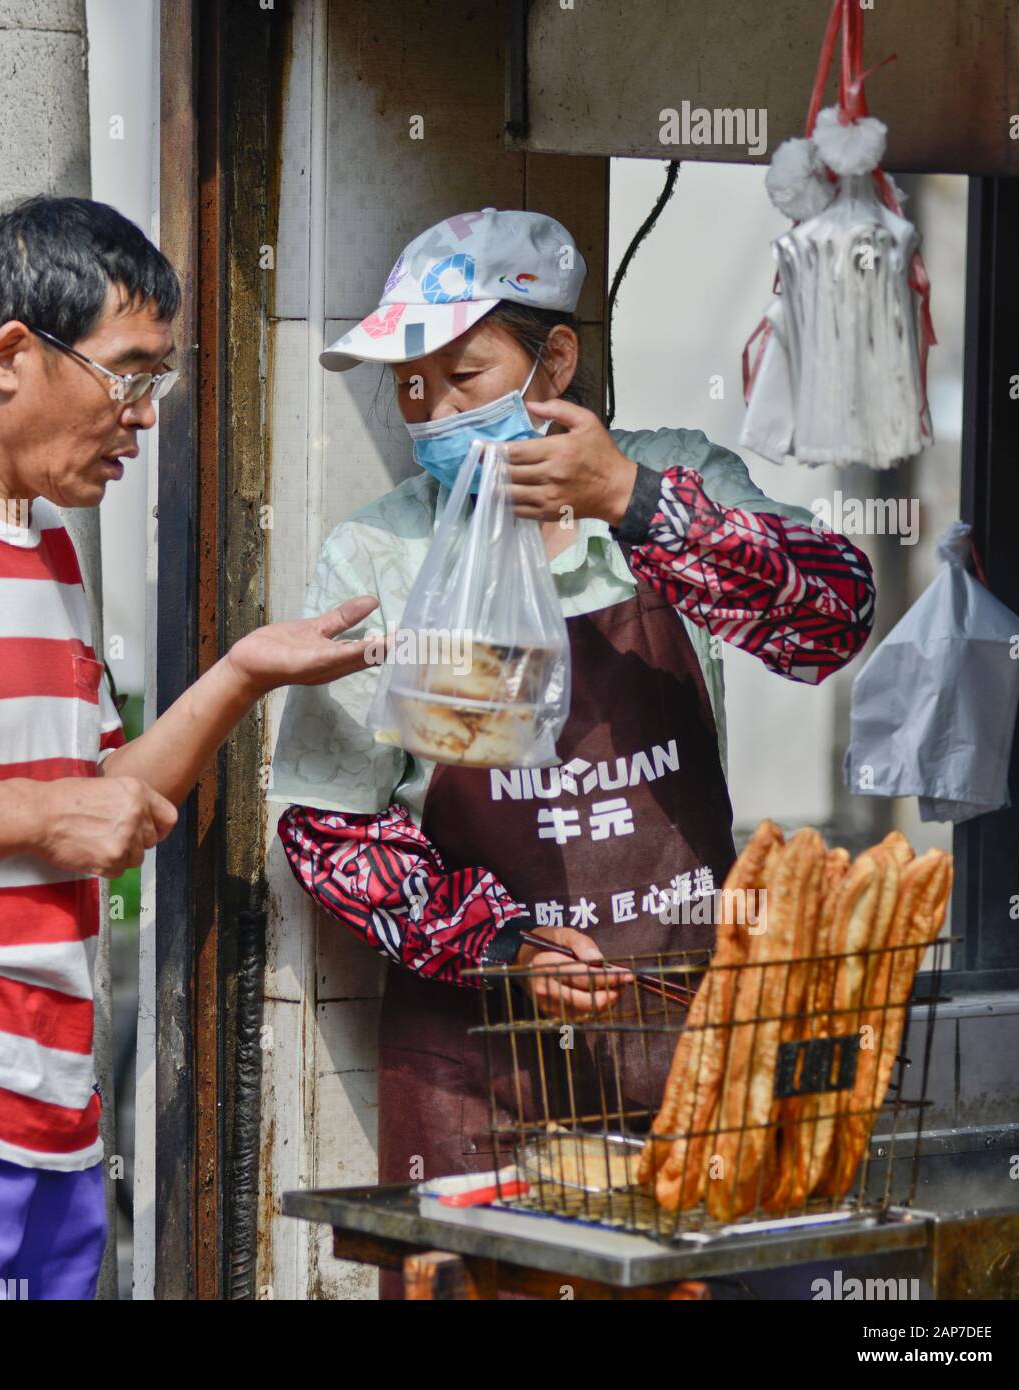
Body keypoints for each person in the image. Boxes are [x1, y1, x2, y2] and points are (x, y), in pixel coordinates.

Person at [268, 208, 876, 1295]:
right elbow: (331, 826)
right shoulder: (380, 550)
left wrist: (631, 503)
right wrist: (499, 944)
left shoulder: (672, 484)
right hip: (477, 1085)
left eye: (461, 376)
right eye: (408, 387)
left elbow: (832, 617)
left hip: (684, 1048)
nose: (431, 412)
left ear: (553, 359)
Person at [0, 196, 377, 1300]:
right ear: (12, 353)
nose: (143, 418)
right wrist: (36, 812)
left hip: (54, 1119)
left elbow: (96, 805)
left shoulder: (43, 543)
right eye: (130, 374)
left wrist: (244, 672)